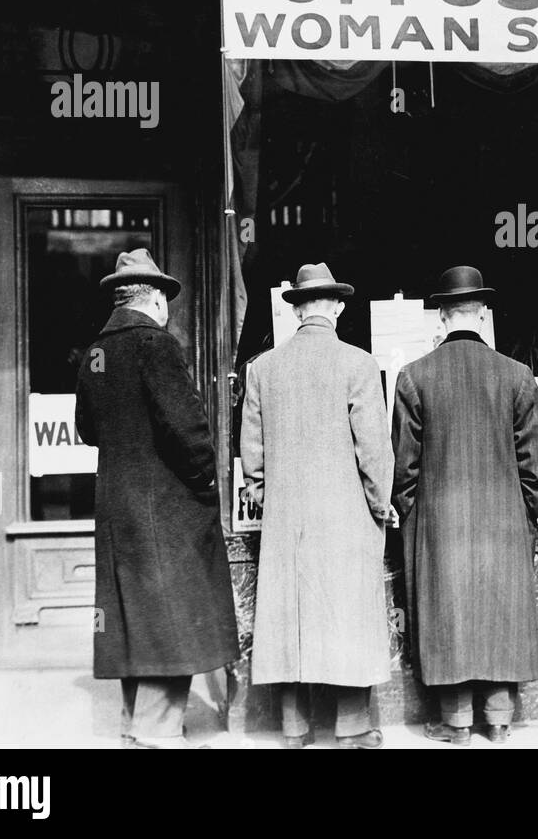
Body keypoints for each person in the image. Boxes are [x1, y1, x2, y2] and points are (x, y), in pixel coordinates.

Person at [75, 248, 238, 749]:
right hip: (166, 507)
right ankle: (156, 731)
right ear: (157, 301)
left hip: (117, 505)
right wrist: (205, 482)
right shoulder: (156, 344)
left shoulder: (95, 353)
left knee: (133, 617)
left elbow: (86, 430)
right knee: (172, 617)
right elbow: (186, 428)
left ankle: (134, 723)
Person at [391, 265, 538, 746]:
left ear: (441, 316)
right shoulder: (518, 377)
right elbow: (534, 468)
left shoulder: (413, 376)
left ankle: (456, 721)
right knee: (499, 612)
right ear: (483, 314)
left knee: (448, 615)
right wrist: (523, 511)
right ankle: (499, 719)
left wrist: (415, 518)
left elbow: (404, 469)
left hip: (439, 524)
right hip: (502, 520)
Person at [241, 263, 393, 750]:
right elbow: (374, 451)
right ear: (338, 307)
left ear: (297, 310)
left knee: (289, 618)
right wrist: (380, 505)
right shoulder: (359, 364)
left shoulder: (262, 368)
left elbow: (253, 452)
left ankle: (293, 729)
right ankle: (350, 728)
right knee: (348, 615)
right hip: (346, 516)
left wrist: (267, 495)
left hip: (287, 518)